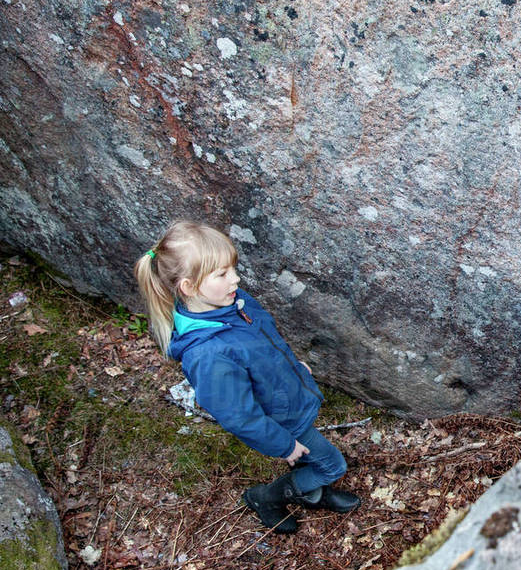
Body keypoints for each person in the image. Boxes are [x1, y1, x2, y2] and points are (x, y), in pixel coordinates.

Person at [133, 220, 359, 533]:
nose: (236, 279)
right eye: (222, 274)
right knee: (333, 465)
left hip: (289, 398)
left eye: (233, 269)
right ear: (189, 287)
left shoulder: (233, 303)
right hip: (282, 421)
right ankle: (265, 498)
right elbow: (239, 416)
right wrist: (284, 445)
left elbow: (266, 344)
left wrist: (294, 367)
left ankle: (308, 489)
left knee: (312, 459)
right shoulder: (208, 354)